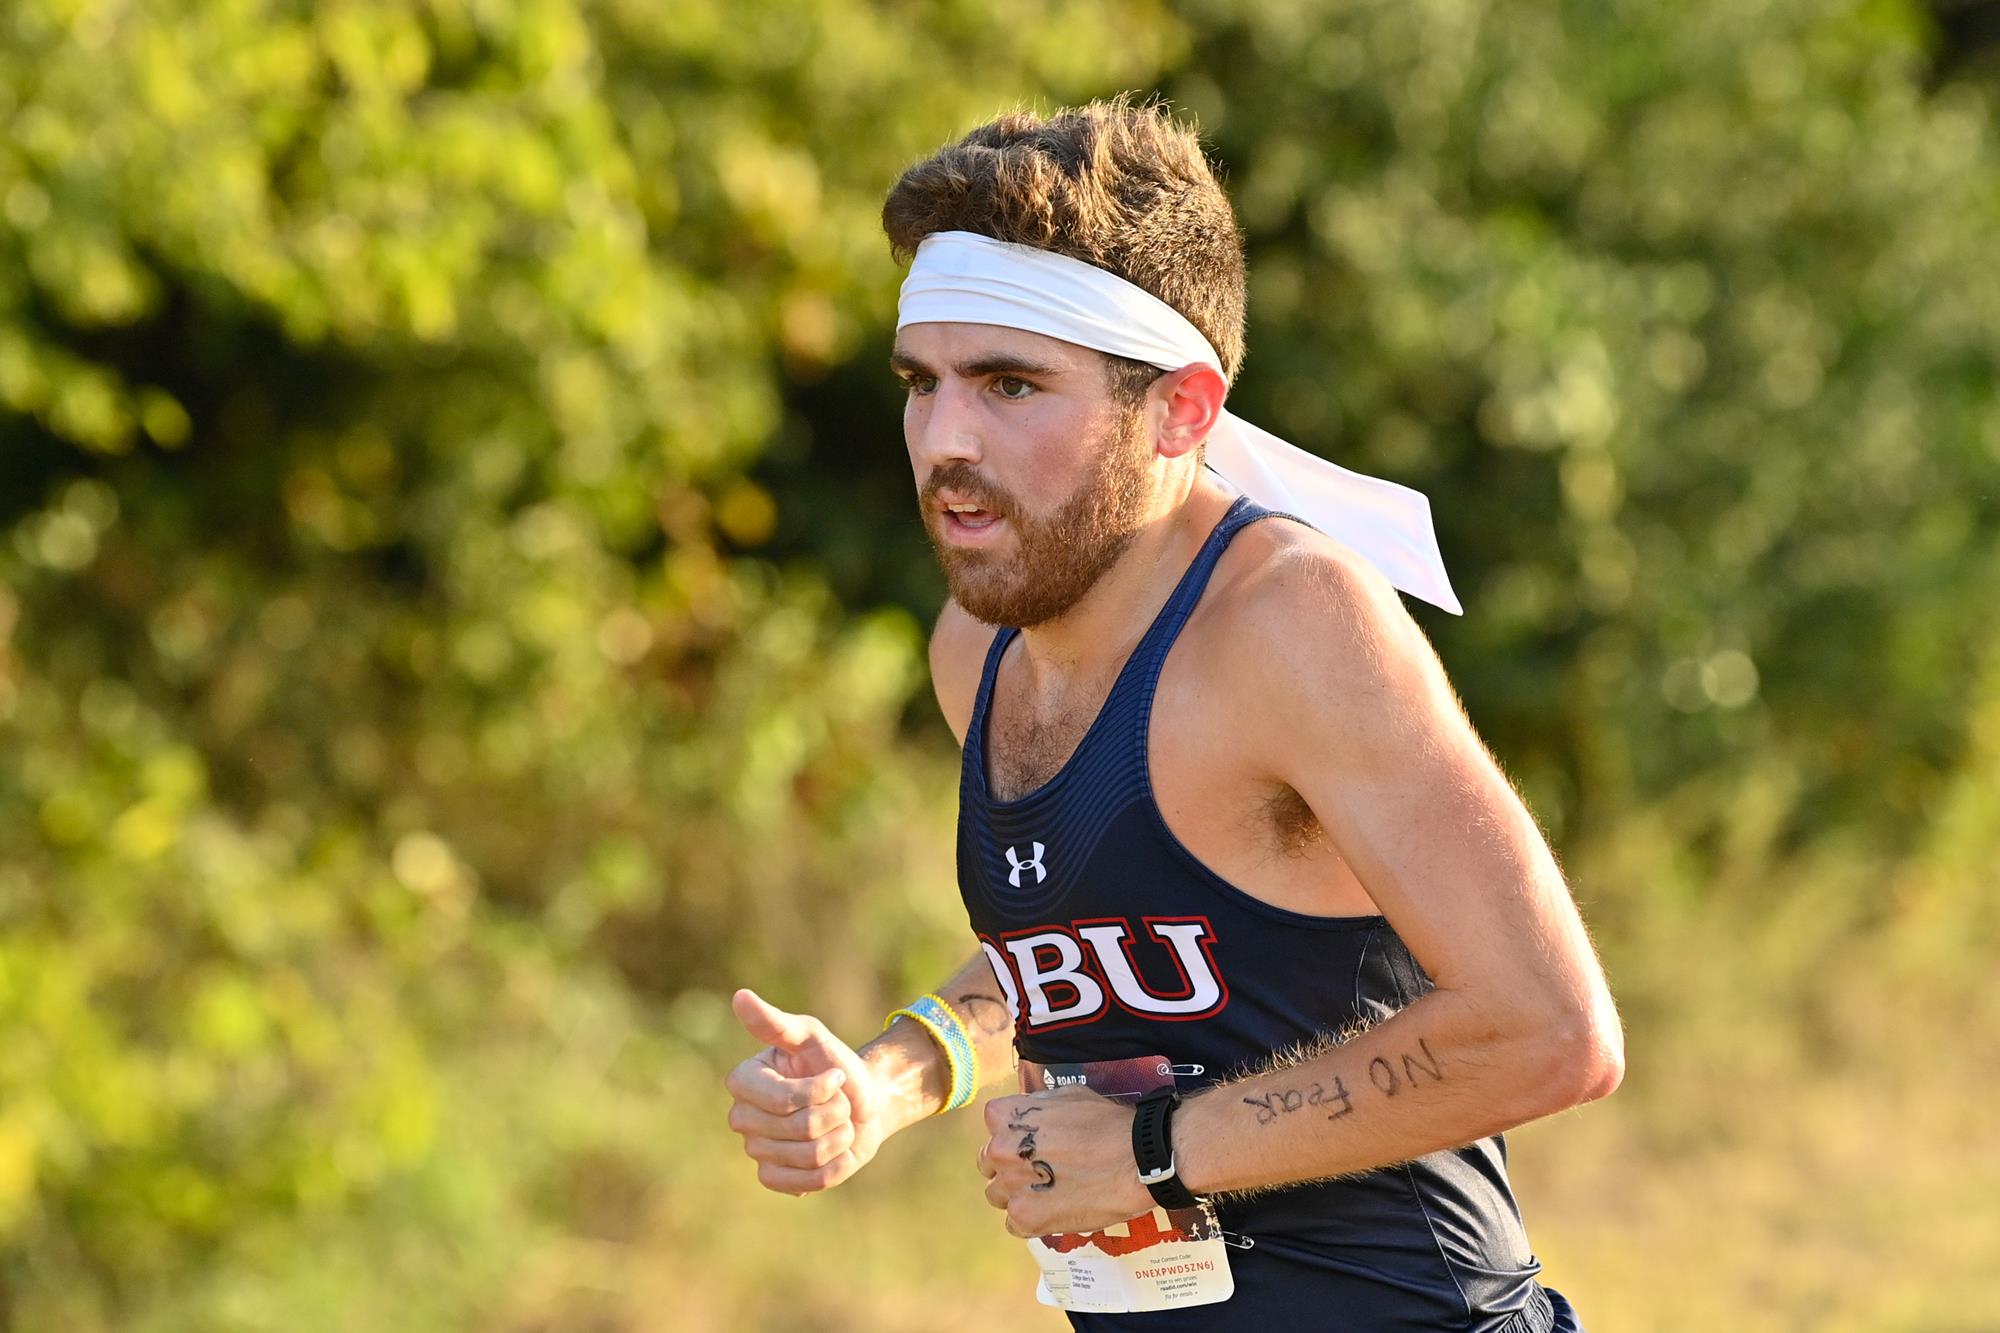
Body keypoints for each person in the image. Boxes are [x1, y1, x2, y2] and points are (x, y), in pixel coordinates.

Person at [725, 97, 1622, 1330]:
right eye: (920, 384)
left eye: (1007, 385)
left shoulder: (1291, 627)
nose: (944, 440)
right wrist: (891, 1079)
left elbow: (1550, 1031)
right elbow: (1090, 951)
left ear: (1180, 412)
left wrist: (1156, 1146)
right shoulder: (976, 648)